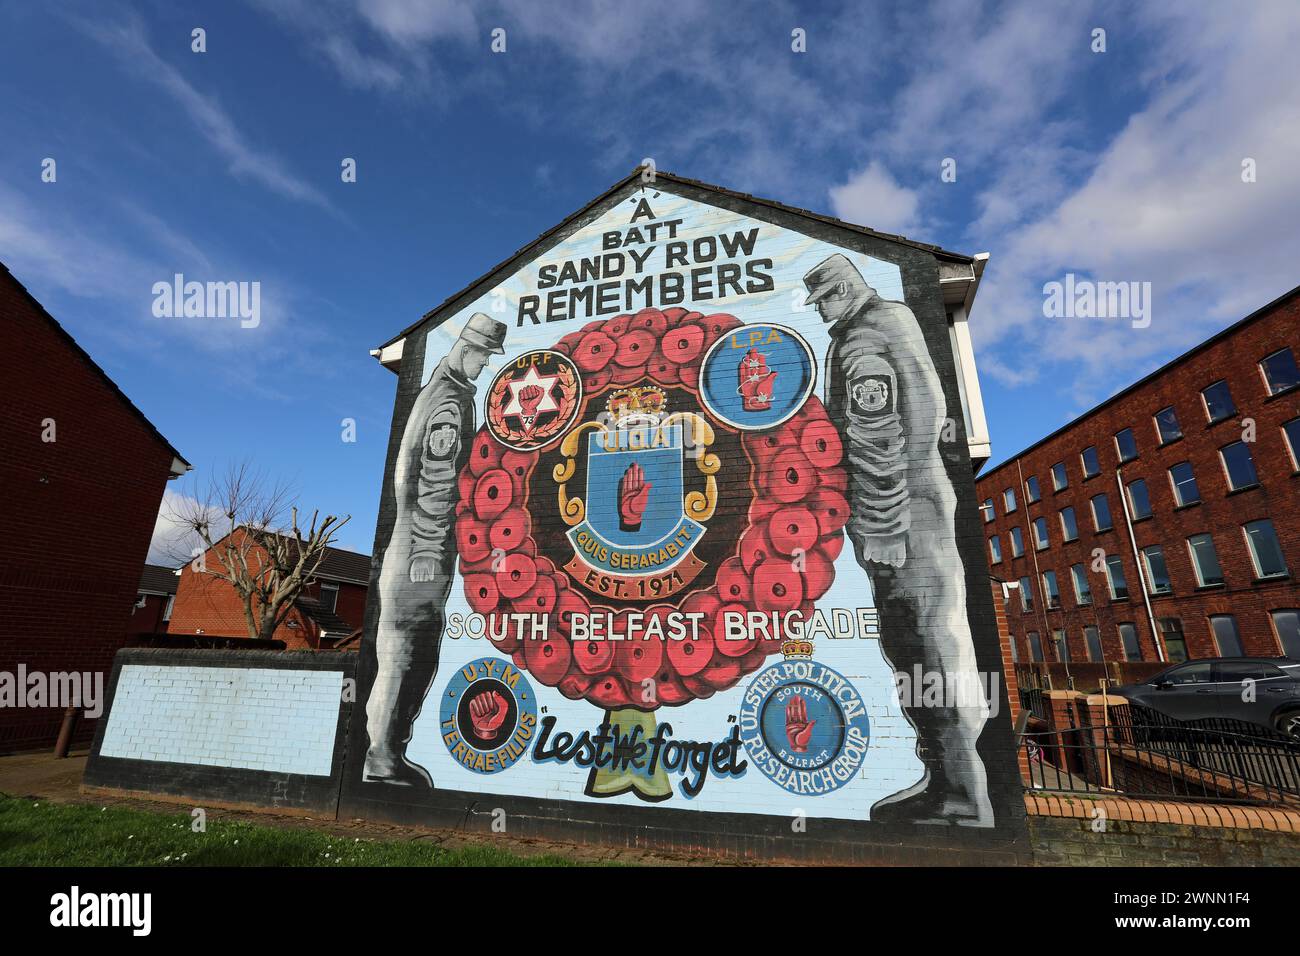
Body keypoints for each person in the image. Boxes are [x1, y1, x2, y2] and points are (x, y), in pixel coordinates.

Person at [804, 254, 993, 826]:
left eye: (824, 301)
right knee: (927, 641)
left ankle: (960, 793)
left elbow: (879, 437)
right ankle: (950, 782)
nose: (822, 314)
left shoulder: (866, 335)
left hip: (904, 519)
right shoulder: (892, 321)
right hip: (923, 513)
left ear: (842, 291)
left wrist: (885, 528)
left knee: (922, 644)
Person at [363, 313, 507, 786]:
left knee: (411, 651)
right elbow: (435, 484)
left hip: (411, 548)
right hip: (419, 552)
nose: (484, 366)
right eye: (483, 356)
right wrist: (427, 551)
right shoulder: (447, 401)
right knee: (408, 653)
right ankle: (382, 756)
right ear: (466, 348)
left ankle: (386, 752)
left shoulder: (441, 391)